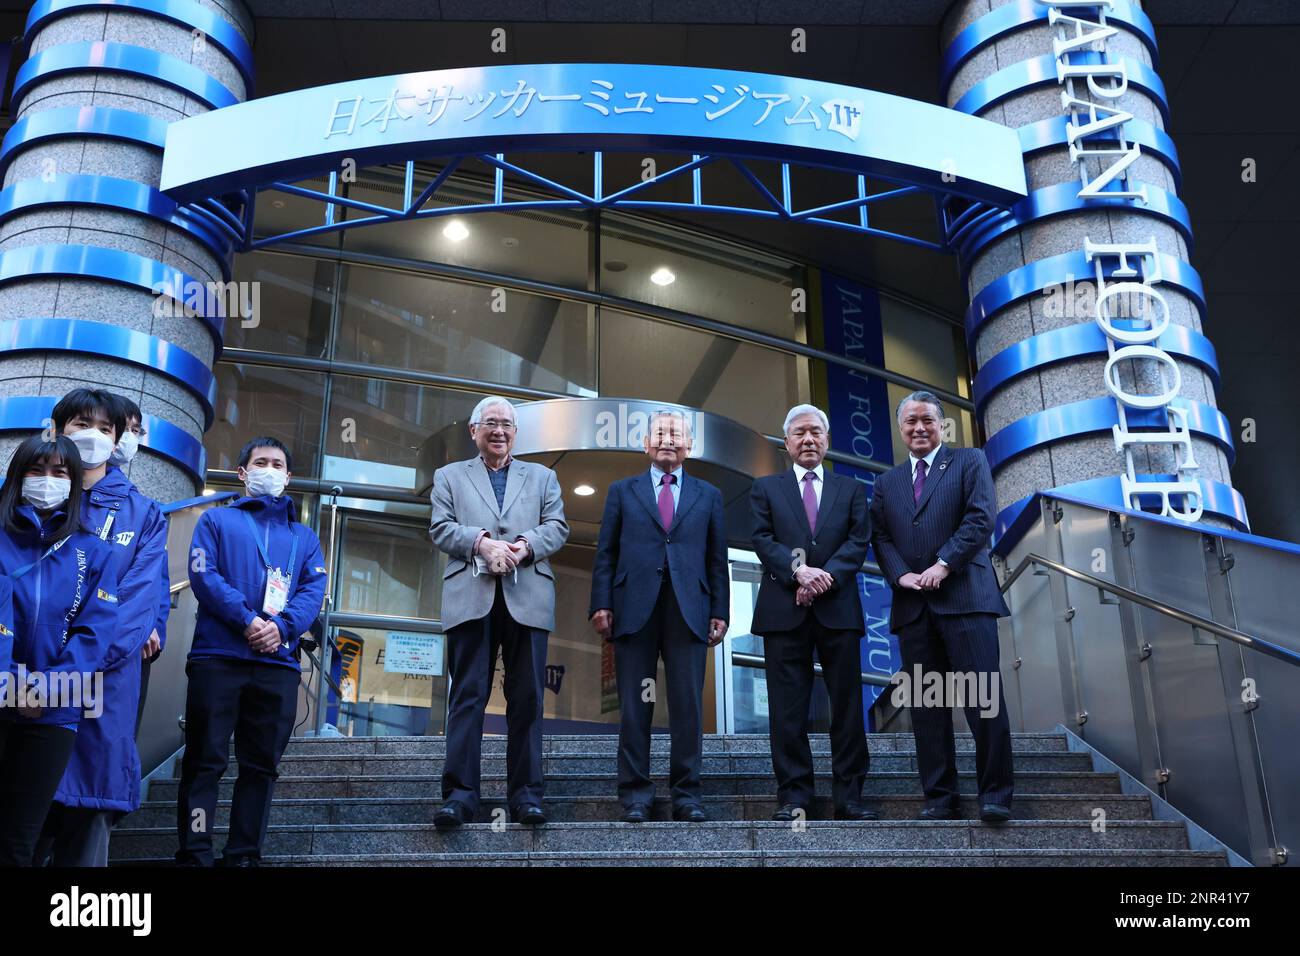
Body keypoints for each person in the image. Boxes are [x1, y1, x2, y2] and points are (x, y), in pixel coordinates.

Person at [174, 437, 327, 866]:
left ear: (289, 476)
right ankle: (196, 849)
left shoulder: (304, 536)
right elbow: (203, 574)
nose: (269, 469)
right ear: (242, 472)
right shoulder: (216, 521)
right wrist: (247, 620)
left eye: (278, 464)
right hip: (217, 659)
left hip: (277, 664)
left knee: (261, 767)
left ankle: (243, 853)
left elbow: (313, 589)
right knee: (205, 761)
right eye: (260, 462)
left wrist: (280, 627)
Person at [34, 391, 168, 866]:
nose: (91, 435)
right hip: (28, 690)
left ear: (116, 440)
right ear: (56, 430)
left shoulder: (145, 515)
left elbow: (135, 608)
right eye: (79, 424)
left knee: (86, 826)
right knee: (20, 826)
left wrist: (69, 670)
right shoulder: (32, 497)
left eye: (103, 428)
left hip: (102, 691)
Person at [868, 390, 1014, 823]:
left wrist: (943, 563)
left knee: (981, 700)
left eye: (926, 420)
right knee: (928, 708)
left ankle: (996, 795)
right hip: (915, 608)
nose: (918, 428)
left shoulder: (969, 462)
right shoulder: (886, 483)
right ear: (900, 429)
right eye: (910, 422)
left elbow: (981, 517)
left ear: (941, 423)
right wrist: (900, 575)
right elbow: (881, 537)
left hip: (966, 600)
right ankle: (939, 797)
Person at [429, 397, 568, 829]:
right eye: (490, 423)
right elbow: (440, 526)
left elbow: (557, 527)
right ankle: (460, 796)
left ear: (515, 432)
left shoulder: (544, 477)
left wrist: (523, 547)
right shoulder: (449, 476)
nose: (499, 431)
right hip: (472, 596)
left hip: (527, 597)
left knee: (527, 700)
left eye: (507, 424)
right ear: (474, 431)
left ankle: (526, 796)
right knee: (467, 697)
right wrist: (482, 543)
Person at [589, 410, 729, 823]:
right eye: (661, 433)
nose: (668, 439)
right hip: (634, 607)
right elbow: (606, 553)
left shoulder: (709, 495)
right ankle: (636, 795)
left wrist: (720, 609)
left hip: (690, 608)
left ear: (689, 445)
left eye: (676, 433)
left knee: (687, 706)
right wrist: (601, 602)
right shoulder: (622, 490)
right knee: (636, 705)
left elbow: (716, 558)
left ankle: (687, 795)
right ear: (645, 444)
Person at [749, 404, 877, 821]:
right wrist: (798, 572)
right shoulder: (765, 488)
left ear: (827, 440)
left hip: (837, 609)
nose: (808, 439)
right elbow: (763, 540)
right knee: (787, 709)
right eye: (799, 433)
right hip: (783, 612)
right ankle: (794, 797)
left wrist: (822, 579)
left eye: (816, 432)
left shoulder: (852, 488)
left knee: (846, 705)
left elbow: (858, 542)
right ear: (786, 443)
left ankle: (850, 797)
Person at [0, 435, 120, 866]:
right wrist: (14, 686)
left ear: (73, 483)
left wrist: (44, 691)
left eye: (59, 472)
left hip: (53, 712)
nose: (46, 481)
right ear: (17, 476)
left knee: (19, 842)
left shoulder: (95, 551)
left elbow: (95, 633)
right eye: (36, 470)